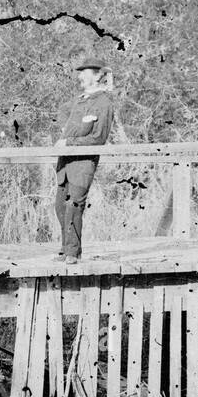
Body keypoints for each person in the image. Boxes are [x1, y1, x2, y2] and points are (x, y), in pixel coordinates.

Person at [55, 57, 115, 262]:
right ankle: (66, 250)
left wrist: (70, 141)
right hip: (65, 163)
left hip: (83, 163)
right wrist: (67, 131)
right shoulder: (80, 99)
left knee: (74, 205)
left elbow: (98, 137)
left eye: (84, 72)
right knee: (60, 206)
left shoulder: (104, 102)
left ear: (97, 75)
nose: (80, 76)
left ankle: (73, 253)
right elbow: (62, 111)